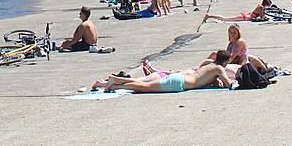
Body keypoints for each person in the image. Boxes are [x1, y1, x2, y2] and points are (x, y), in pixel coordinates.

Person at [91, 60, 231, 93]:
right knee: (144, 87)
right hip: (178, 83)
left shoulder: (209, 65)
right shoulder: (219, 68)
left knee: (142, 84)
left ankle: (116, 83)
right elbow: (228, 84)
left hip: (178, 78)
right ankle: (116, 82)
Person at [201, 0, 273, 25]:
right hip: (245, 17)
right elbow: (262, 17)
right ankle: (209, 16)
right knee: (225, 19)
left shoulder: (259, 5)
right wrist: (264, 13)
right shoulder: (261, 8)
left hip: (245, 16)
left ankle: (209, 16)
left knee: (226, 18)